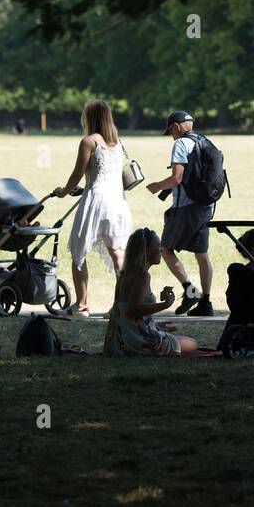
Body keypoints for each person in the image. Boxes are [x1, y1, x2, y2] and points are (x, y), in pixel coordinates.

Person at [53, 99, 133, 315]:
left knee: (79, 252)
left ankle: (81, 304)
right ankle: (121, 305)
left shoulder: (89, 141)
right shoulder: (118, 143)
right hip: (117, 201)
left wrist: (65, 191)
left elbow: (77, 173)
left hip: (96, 200)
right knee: (118, 254)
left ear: (89, 117)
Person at [145, 110, 215, 316]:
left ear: (176, 126)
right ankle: (207, 303)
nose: (171, 136)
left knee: (165, 249)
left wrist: (157, 186)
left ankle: (190, 290)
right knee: (201, 254)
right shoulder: (205, 141)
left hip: (185, 207)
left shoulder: (181, 144)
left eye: (170, 132)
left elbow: (177, 178)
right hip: (205, 205)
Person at [105, 227, 199, 356]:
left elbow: (127, 313)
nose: (161, 249)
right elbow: (134, 309)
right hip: (137, 342)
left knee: (181, 340)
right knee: (192, 343)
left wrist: (153, 325)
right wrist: (166, 304)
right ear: (148, 251)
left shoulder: (125, 274)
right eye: (159, 245)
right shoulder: (142, 276)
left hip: (120, 340)